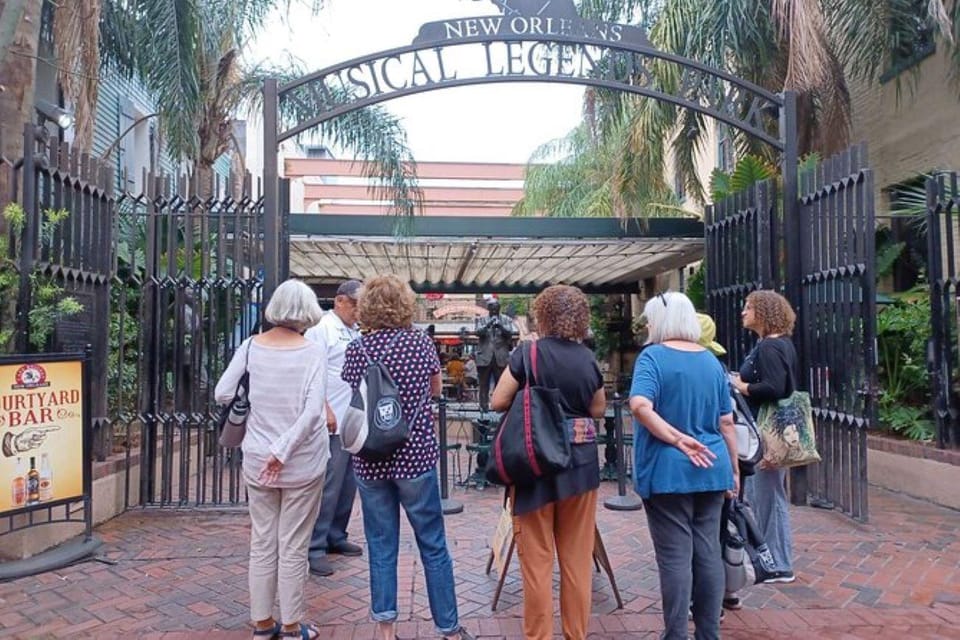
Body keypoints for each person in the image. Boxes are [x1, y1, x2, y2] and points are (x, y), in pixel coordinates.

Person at [341, 275, 473, 640]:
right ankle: (448, 626)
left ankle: (386, 629)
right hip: (414, 455)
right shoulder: (420, 344)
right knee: (432, 542)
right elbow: (434, 389)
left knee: (381, 543)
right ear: (404, 305)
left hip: (370, 459)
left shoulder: (357, 348)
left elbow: (354, 395)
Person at [214, 278, 328, 640]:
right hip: (303, 462)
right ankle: (293, 626)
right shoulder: (312, 351)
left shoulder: (250, 347)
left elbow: (222, 393)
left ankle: (262, 624)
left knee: (263, 541)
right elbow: (313, 413)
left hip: (257, 459)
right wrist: (284, 451)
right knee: (293, 545)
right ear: (307, 312)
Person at [490, 285, 606, 640]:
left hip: (536, 466)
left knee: (537, 564)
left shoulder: (528, 354)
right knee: (576, 562)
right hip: (581, 468)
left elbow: (498, 401)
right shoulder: (587, 358)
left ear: (542, 314)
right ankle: (575, 635)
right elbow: (598, 408)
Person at [629, 291, 738, 640]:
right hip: (712, 465)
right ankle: (709, 633)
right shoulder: (710, 361)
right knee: (707, 551)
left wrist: (675, 439)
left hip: (668, 472)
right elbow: (727, 423)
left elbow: (640, 406)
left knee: (675, 557)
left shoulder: (652, 358)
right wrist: (733, 470)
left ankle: (675, 633)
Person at [730, 289, 799, 585]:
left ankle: (778, 564)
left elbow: (775, 388)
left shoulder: (770, 347)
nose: (743, 312)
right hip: (769, 429)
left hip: (767, 430)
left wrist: (740, 385)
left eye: (749, 307)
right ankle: (770, 559)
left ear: (765, 312)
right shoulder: (775, 344)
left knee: (769, 497)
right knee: (766, 496)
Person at [305, 280, 364, 578]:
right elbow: (311, 373)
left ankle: (336, 535)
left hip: (353, 421)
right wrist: (325, 408)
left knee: (347, 484)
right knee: (328, 485)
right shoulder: (322, 328)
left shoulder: (355, 331)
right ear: (340, 301)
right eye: (356, 304)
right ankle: (314, 545)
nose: (359, 310)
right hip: (332, 420)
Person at [475, 299, 515, 411]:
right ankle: (483, 407)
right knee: (483, 384)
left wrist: (500, 326)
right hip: (484, 357)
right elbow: (478, 332)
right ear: (488, 308)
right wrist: (488, 324)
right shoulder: (481, 319)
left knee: (501, 384)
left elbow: (510, 332)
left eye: (496, 307)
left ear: (499, 308)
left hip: (501, 357)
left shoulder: (506, 319)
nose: (494, 310)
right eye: (491, 307)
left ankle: (499, 407)